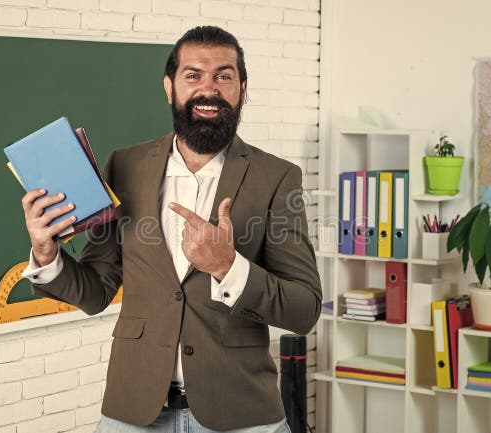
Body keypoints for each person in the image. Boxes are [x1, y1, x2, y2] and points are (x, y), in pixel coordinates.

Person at [19, 26, 321, 433]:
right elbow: (95, 293)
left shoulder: (278, 177)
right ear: (169, 86)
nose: (208, 89)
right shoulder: (125, 166)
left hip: (240, 412)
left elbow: (304, 310)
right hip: (134, 410)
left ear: (243, 88)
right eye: (193, 75)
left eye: (224, 76)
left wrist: (229, 268)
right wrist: (45, 253)